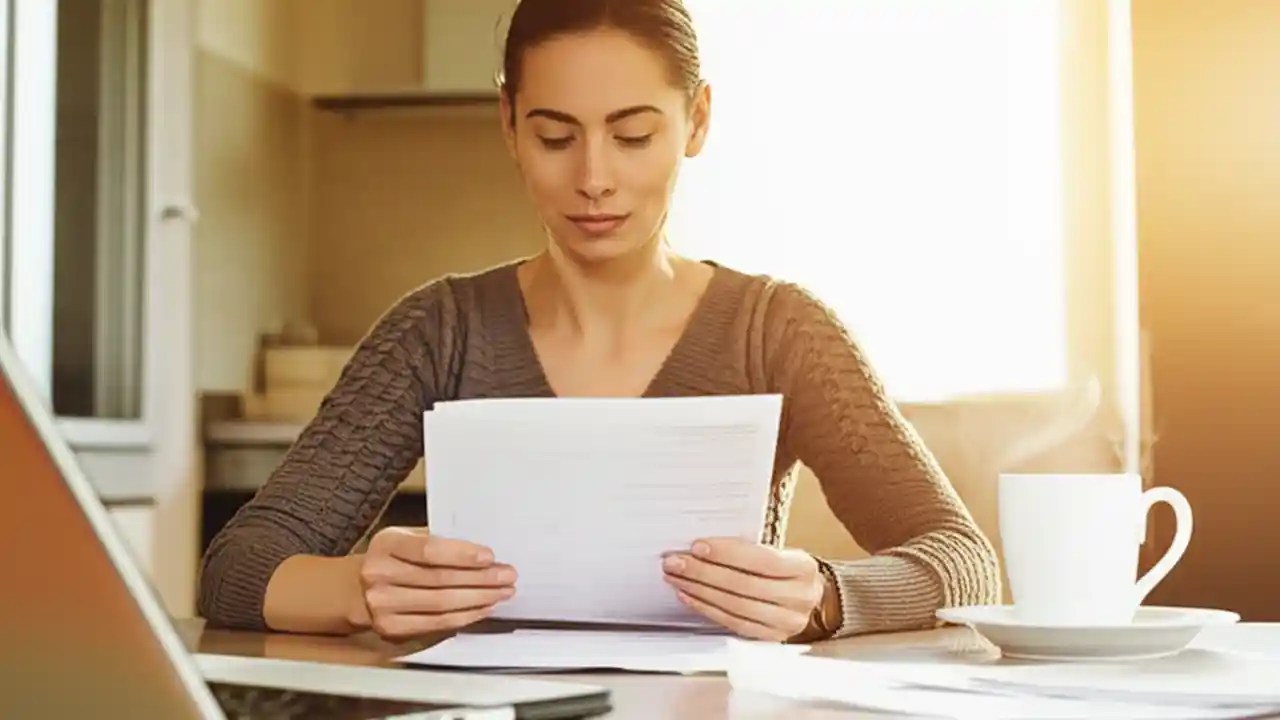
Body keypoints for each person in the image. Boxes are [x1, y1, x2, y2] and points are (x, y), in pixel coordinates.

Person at [198, 0, 1000, 644]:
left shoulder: (778, 329)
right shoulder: (439, 330)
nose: (593, 179)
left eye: (633, 134)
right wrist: (354, 588)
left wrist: (828, 595)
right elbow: (236, 565)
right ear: (508, 124)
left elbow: (963, 562)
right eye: (555, 136)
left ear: (697, 121)